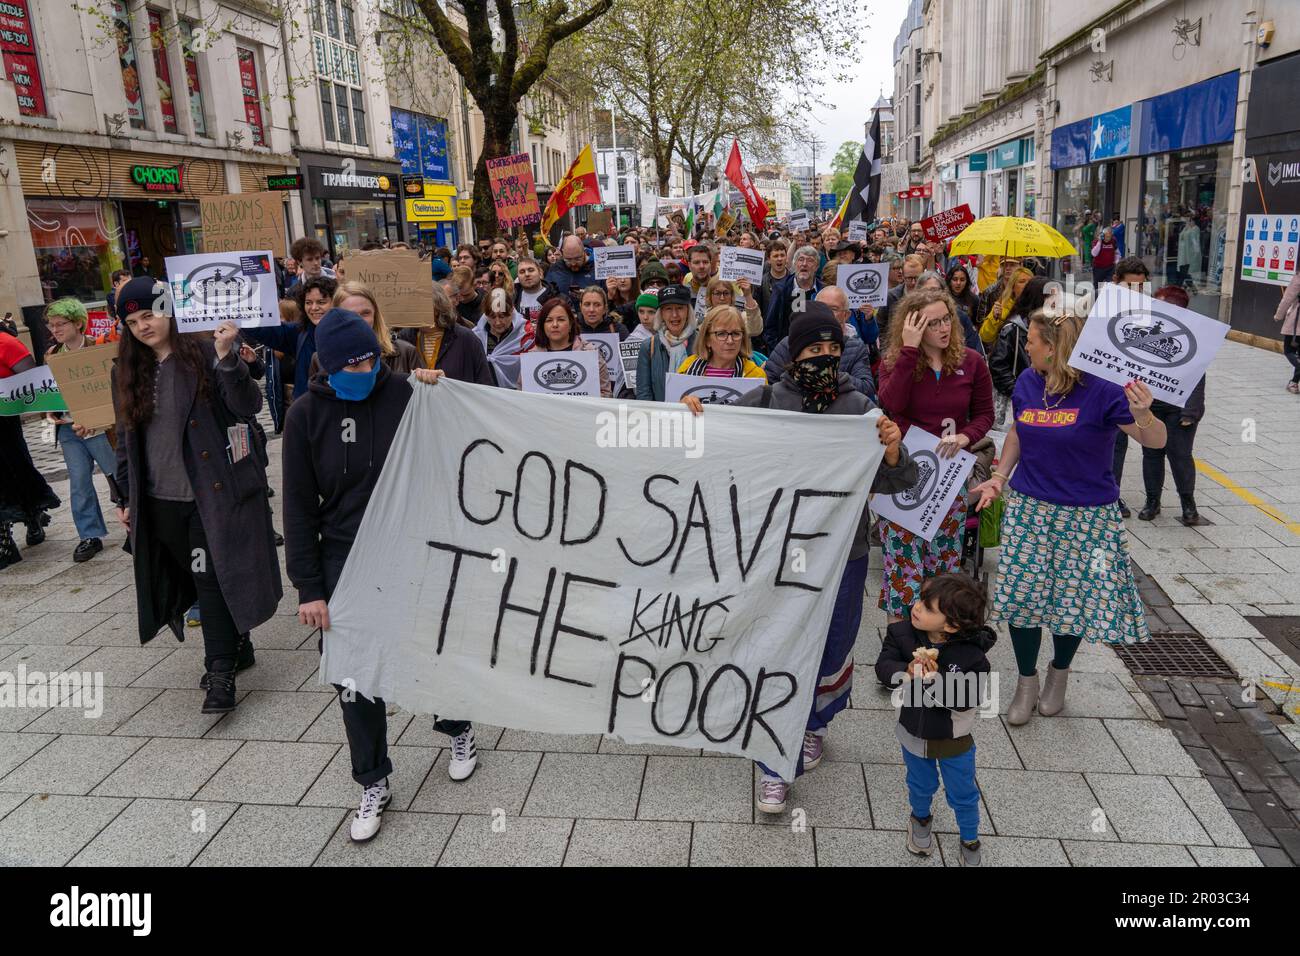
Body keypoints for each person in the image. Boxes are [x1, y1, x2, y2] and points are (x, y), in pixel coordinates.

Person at [691, 306, 914, 813]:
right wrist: (693, 411)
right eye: (814, 350)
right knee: (780, 647)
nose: (825, 358)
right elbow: (714, 448)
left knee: (832, 647)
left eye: (833, 350)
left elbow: (901, 483)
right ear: (794, 352)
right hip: (778, 553)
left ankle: (814, 724)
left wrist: (895, 452)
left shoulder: (859, 407)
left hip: (844, 553)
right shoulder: (766, 400)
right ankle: (775, 762)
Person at [283, 310, 473, 843]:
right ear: (326, 365)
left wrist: (441, 391)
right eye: (352, 363)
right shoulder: (304, 416)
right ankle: (372, 778)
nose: (363, 369)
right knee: (354, 675)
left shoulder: (407, 394)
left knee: (432, 646)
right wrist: (309, 588)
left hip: (413, 546)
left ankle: (458, 729)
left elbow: (458, 446)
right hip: (344, 554)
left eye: (370, 359)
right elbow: (298, 507)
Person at [970, 311, 1166, 725]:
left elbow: (1155, 440)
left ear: (1054, 349)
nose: (1026, 347)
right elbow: (1019, 431)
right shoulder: (1027, 383)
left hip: (1087, 515)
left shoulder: (1105, 390)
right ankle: (1026, 681)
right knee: (1023, 600)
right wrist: (999, 477)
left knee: (1071, 603)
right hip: (1029, 510)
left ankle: (1058, 674)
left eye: (1033, 342)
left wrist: (1145, 412)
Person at [110, 276, 282, 712]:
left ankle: (220, 672)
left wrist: (228, 359)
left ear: (170, 310)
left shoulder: (206, 353)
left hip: (212, 493)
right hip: (159, 499)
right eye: (133, 321)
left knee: (209, 579)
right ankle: (238, 644)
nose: (143, 326)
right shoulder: (127, 371)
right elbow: (127, 440)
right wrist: (126, 497)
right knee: (193, 578)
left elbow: (246, 406)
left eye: (149, 314)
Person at [875, 289, 994, 623]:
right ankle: (899, 648)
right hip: (903, 475)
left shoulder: (971, 361)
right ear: (913, 325)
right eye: (933, 323)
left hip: (949, 477)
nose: (944, 328)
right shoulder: (895, 361)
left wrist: (966, 436)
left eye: (947, 319)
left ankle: (935, 643)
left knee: (943, 564)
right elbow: (891, 403)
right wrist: (910, 350)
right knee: (902, 566)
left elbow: (985, 414)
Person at [875, 573, 994, 866]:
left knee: (962, 789)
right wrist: (906, 671)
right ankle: (920, 818)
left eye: (928, 607)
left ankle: (969, 836)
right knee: (919, 782)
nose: (916, 607)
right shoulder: (901, 634)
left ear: (951, 625)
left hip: (954, 738)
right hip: (913, 731)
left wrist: (934, 680)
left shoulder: (971, 656)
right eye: (920, 599)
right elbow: (883, 667)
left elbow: (968, 697)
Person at [42, 298, 118, 563]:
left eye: (60, 323)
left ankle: (135, 520)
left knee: (118, 475)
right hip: (69, 430)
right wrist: (49, 412)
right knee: (79, 483)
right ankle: (89, 534)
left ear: (78, 323)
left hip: (100, 427)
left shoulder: (99, 347)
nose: (55, 329)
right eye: (51, 325)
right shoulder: (52, 354)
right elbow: (49, 391)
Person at [1136, 285, 1205, 525]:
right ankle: (1152, 501)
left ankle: (1188, 503)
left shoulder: (1192, 337)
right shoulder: (1145, 331)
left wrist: (1190, 412)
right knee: (1151, 455)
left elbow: (1197, 376)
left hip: (1179, 409)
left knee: (1180, 456)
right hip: (1150, 405)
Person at [0, 326, 61, 567]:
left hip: (3, 421)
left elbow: (30, 380)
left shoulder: (6, 343)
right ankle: (5, 540)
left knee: (15, 471)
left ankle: (32, 515)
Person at [763, 286, 875, 398]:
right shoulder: (789, 343)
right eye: (821, 307)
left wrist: (829, 373)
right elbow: (768, 382)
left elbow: (866, 388)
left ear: (846, 315)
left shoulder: (855, 348)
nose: (826, 313)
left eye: (833, 309)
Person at [245, 274, 336, 407]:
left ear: (335, 303)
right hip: (306, 411)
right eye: (308, 302)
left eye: (321, 302)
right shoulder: (299, 333)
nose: (314, 308)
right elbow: (261, 329)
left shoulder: (349, 336)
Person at [1109, 257, 1152, 517]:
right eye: (1130, 286)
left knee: (1120, 445)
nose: (1136, 292)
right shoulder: (1098, 307)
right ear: (1116, 282)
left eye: (1141, 286)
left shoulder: (1149, 312)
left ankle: (1114, 493)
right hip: (1101, 388)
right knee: (1105, 443)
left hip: (1129, 390)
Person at [988, 275, 1051, 428]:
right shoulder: (1012, 329)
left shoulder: (1051, 328)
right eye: (1049, 297)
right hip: (1018, 401)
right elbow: (998, 366)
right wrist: (1019, 391)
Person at [517, 297, 612, 397]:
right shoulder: (532, 358)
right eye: (549, 320)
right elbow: (521, 395)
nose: (554, 325)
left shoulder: (591, 353)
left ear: (571, 324)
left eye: (561, 320)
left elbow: (606, 393)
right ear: (542, 326)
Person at [674, 305, 765, 399]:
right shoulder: (687, 367)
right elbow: (673, 406)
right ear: (707, 339)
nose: (730, 341)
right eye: (721, 334)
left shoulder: (756, 376)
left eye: (736, 333)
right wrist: (683, 404)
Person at [635, 284, 696, 401]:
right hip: (661, 417)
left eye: (679, 308)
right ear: (661, 313)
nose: (674, 315)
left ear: (688, 311)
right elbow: (644, 394)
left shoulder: (702, 343)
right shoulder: (648, 346)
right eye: (668, 309)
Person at [763, 244, 822, 349]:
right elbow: (770, 326)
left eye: (810, 261)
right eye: (801, 260)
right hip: (788, 351)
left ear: (816, 266)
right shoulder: (781, 289)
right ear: (795, 265)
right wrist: (778, 351)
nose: (804, 264)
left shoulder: (823, 290)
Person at [474, 287, 533, 387]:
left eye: (502, 316)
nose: (497, 322)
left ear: (512, 312)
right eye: (492, 317)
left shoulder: (526, 335)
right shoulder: (476, 336)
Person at [915, 271, 984, 354]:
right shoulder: (912, 320)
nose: (931, 297)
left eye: (936, 291)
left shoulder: (961, 317)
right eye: (926, 292)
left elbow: (976, 351)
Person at [978, 264, 1031, 345]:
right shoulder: (1003, 306)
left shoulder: (1037, 304)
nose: (1027, 285)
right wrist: (995, 318)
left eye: (1030, 282)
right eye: (1022, 282)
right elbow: (985, 337)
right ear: (1013, 287)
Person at [544, 235, 598, 308]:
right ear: (562, 253)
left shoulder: (596, 267)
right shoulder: (556, 268)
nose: (573, 263)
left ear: (584, 251)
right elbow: (546, 294)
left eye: (577, 259)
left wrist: (589, 296)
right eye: (568, 259)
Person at [1274, 265, 1300, 394]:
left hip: (1297, 323)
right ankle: (1294, 382)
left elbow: (1287, 298)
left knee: (1289, 350)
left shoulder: (1299, 276)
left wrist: (1279, 315)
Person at [945, 261, 981, 327]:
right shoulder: (944, 297)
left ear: (967, 281)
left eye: (962, 280)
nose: (958, 283)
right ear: (949, 280)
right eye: (955, 279)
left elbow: (976, 324)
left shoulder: (974, 299)